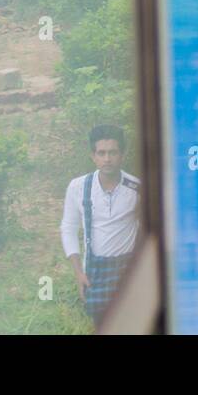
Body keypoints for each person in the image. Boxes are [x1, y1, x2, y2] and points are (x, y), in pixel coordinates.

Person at [60, 125, 140, 326]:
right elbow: (68, 228)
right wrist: (79, 272)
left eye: (112, 152)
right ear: (92, 156)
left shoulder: (136, 188)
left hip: (127, 270)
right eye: (101, 153)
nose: (107, 159)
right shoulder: (78, 187)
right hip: (95, 272)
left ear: (122, 154)